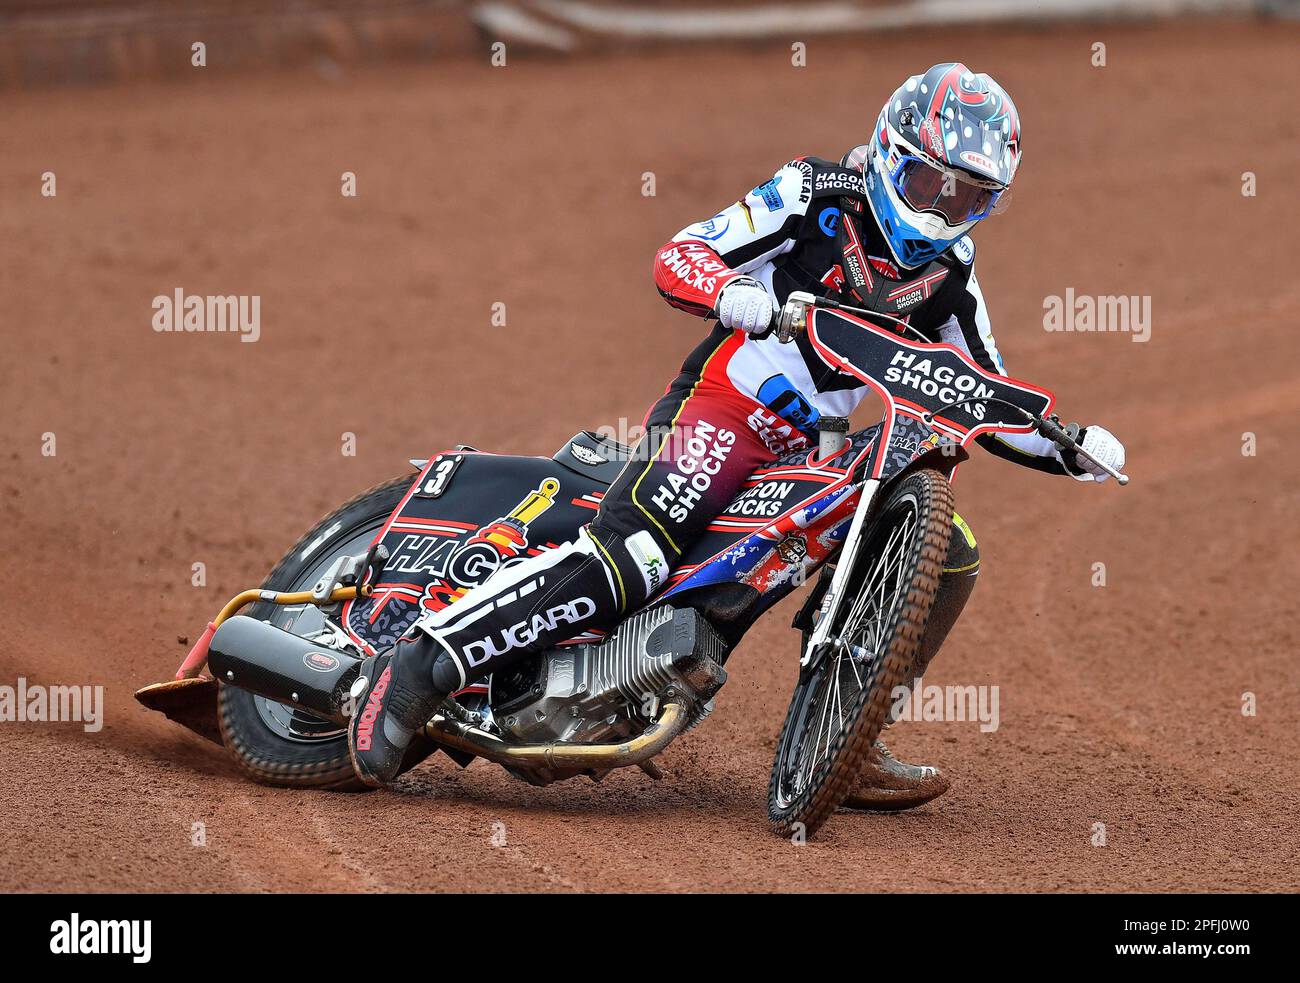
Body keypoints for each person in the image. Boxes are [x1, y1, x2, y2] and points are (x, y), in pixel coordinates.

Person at [346, 63, 1125, 809]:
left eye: (968, 197)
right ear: (892, 151)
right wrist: (734, 293)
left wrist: (1072, 445)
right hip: (723, 407)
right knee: (637, 553)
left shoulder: (954, 277)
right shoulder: (816, 191)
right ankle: (424, 661)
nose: (941, 209)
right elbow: (679, 255)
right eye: (931, 184)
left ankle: (847, 735)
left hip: (811, 448)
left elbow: (985, 397)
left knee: (946, 543)